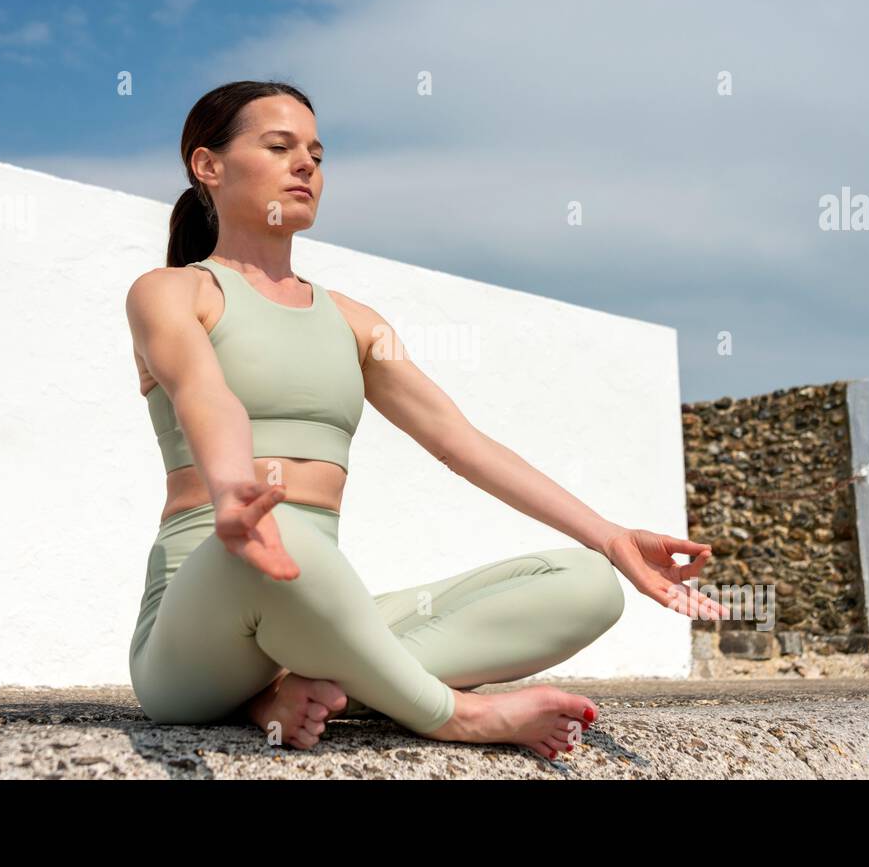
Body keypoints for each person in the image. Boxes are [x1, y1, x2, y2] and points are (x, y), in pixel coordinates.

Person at [125, 80, 731, 759]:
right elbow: (206, 393)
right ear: (208, 166)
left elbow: (460, 442)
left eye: (318, 154)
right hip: (196, 624)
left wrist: (612, 536)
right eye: (279, 146)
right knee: (284, 532)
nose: (307, 166)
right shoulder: (173, 292)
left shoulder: (355, 323)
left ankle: (297, 687)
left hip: (313, 599)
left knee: (587, 584)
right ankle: (455, 714)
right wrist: (236, 487)